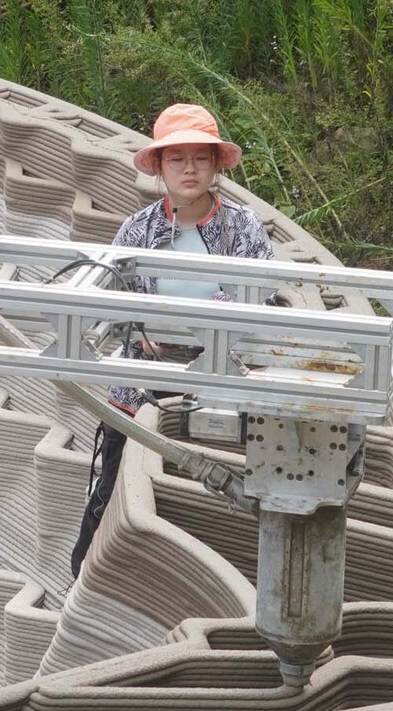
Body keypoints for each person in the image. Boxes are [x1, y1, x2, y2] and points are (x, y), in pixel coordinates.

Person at [69, 103, 274, 576]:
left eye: (199, 158)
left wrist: (191, 329)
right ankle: (87, 577)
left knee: (228, 490)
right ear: (159, 167)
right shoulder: (138, 230)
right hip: (144, 382)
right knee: (112, 490)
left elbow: (258, 299)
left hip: (221, 381)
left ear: (216, 164)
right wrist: (145, 332)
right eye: (176, 158)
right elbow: (113, 305)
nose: (189, 169)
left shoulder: (242, 228)